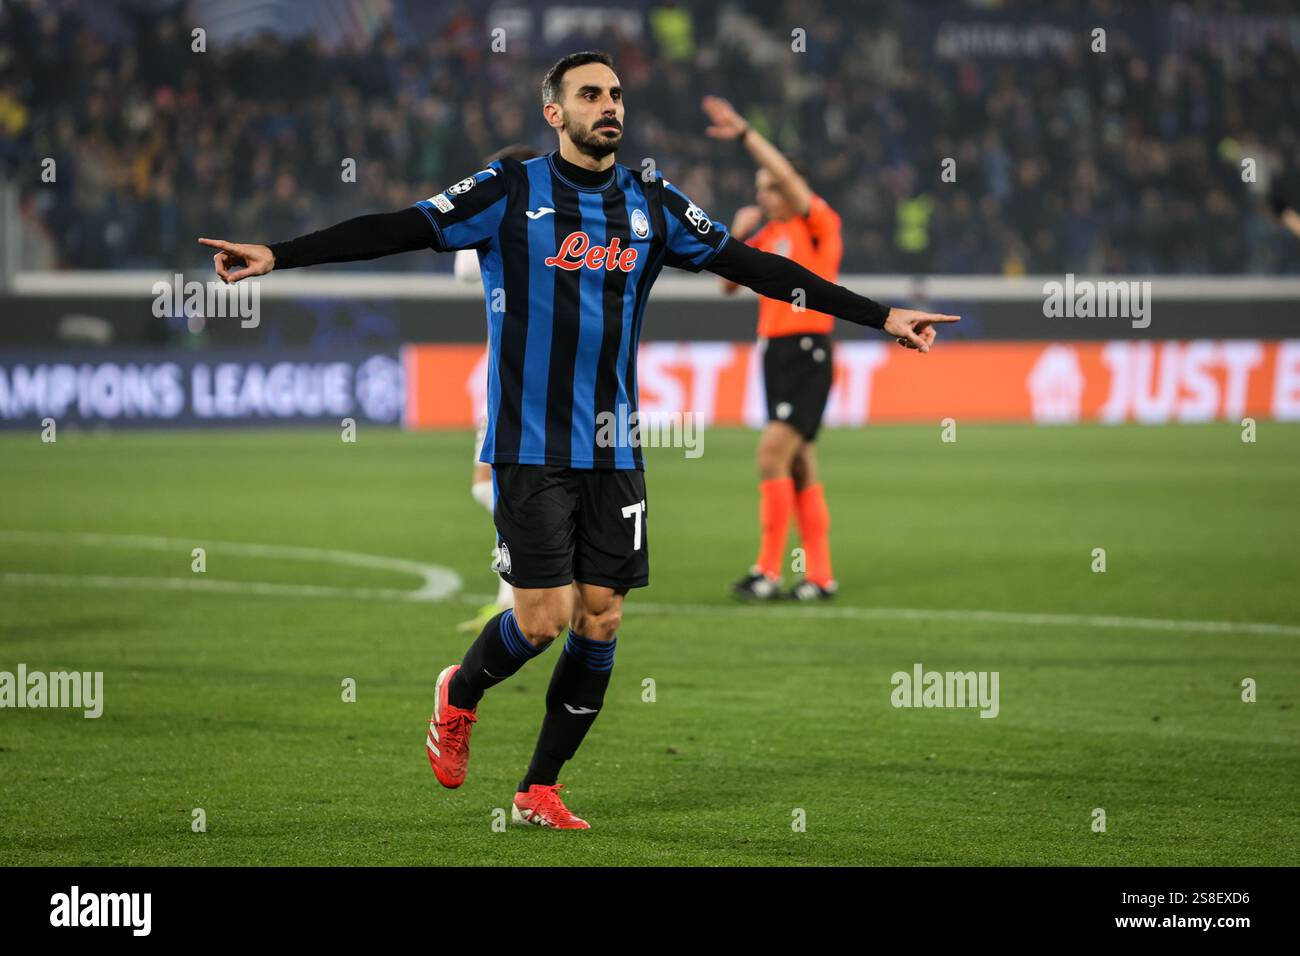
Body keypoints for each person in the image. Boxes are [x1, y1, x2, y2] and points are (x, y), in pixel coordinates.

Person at [197, 50, 957, 830]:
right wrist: (279, 254)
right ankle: (460, 692)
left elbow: (757, 265)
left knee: (602, 617)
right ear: (554, 113)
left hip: (614, 444)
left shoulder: (651, 201)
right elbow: (401, 227)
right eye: (590, 94)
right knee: (541, 620)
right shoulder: (509, 190)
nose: (609, 105)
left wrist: (881, 315)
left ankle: (537, 789)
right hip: (529, 444)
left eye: (617, 94)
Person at [702, 95, 844, 602]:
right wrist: (736, 236)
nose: (763, 196)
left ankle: (767, 569)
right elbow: (726, 286)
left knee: (770, 456)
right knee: (800, 462)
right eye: (759, 189)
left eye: (771, 188)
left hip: (807, 351)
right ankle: (821, 575)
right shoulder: (768, 235)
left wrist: (746, 136)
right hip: (775, 355)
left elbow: (782, 171)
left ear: (790, 188)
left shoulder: (816, 224)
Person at [453, 144, 542, 634]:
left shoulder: (507, 224)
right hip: (531, 376)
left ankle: (525, 583)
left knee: (490, 484)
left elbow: (464, 266)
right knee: (500, 485)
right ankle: (510, 593)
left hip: (512, 377)